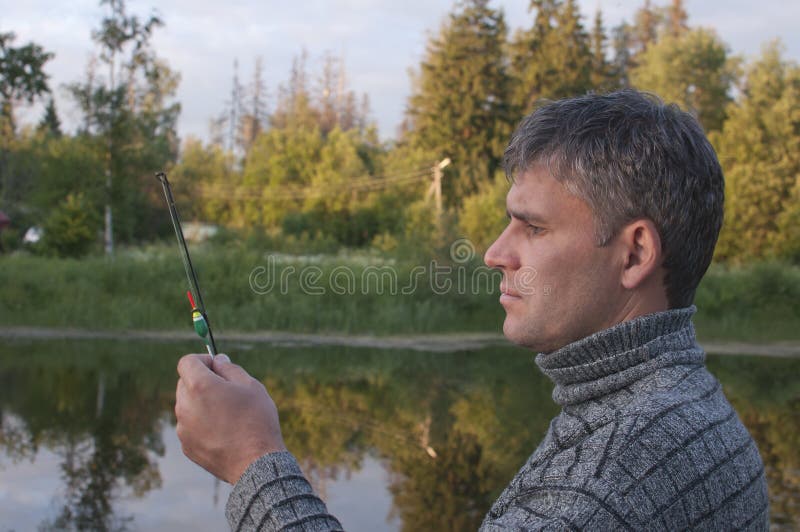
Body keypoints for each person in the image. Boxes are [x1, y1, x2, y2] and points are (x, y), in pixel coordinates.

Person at [175, 90, 769, 531]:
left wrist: (254, 459)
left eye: (533, 227)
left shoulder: (609, 480)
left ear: (635, 252)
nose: (495, 253)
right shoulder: (685, 408)